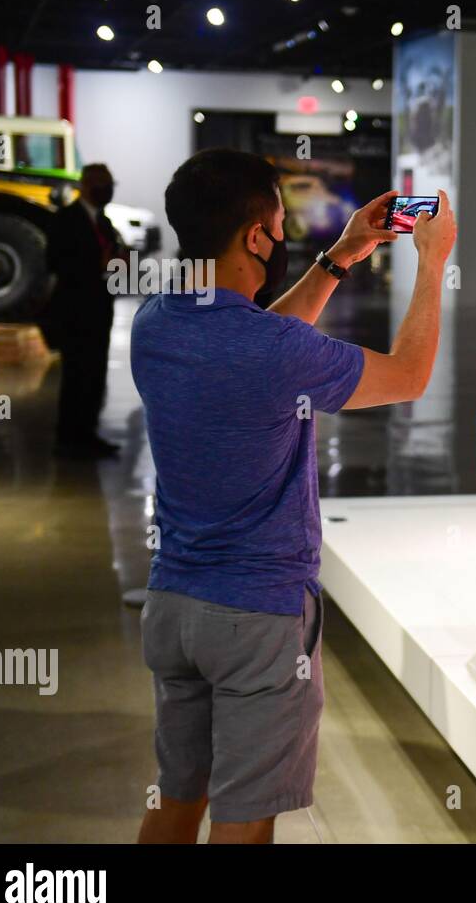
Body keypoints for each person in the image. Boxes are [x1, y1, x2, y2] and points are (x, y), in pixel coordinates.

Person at [131, 148, 456, 844]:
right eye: (278, 223)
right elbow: (407, 377)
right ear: (257, 236)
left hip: (174, 607)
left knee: (175, 799)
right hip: (258, 619)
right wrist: (432, 264)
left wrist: (342, 255)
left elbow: (261, 341)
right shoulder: (271, 350)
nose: (282, 236)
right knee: (244, 823)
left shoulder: (156, 322)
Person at [42, 163, 125, 458]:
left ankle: (87, 433)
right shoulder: (65, 220)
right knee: (76, 375)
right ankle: (68, 438)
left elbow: (112, 258)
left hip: (100, 310)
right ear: (87, 185)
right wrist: (95, 266)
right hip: (74, 311)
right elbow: (55, 262)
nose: (107, 190)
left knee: (95, 374)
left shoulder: (104, 222)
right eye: (102, 184)